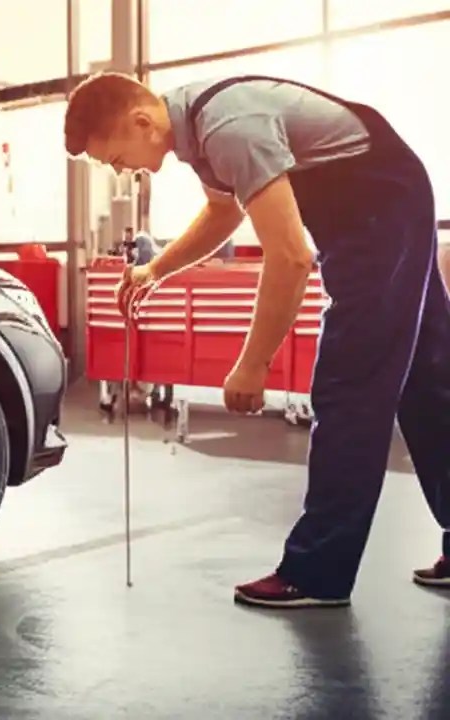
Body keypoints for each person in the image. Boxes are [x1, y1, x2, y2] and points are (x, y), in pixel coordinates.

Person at [62, 71, 450, 609]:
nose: (120, 172)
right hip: (389, 196)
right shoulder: (194, 129)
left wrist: (252, 363)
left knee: (349, 386)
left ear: (141, 122)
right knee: (427, 378)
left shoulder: (228, 126)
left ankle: (318, 572)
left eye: (114, 158)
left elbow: (291, 256)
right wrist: (157, 270)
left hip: (378, 205)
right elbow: (223, 214)